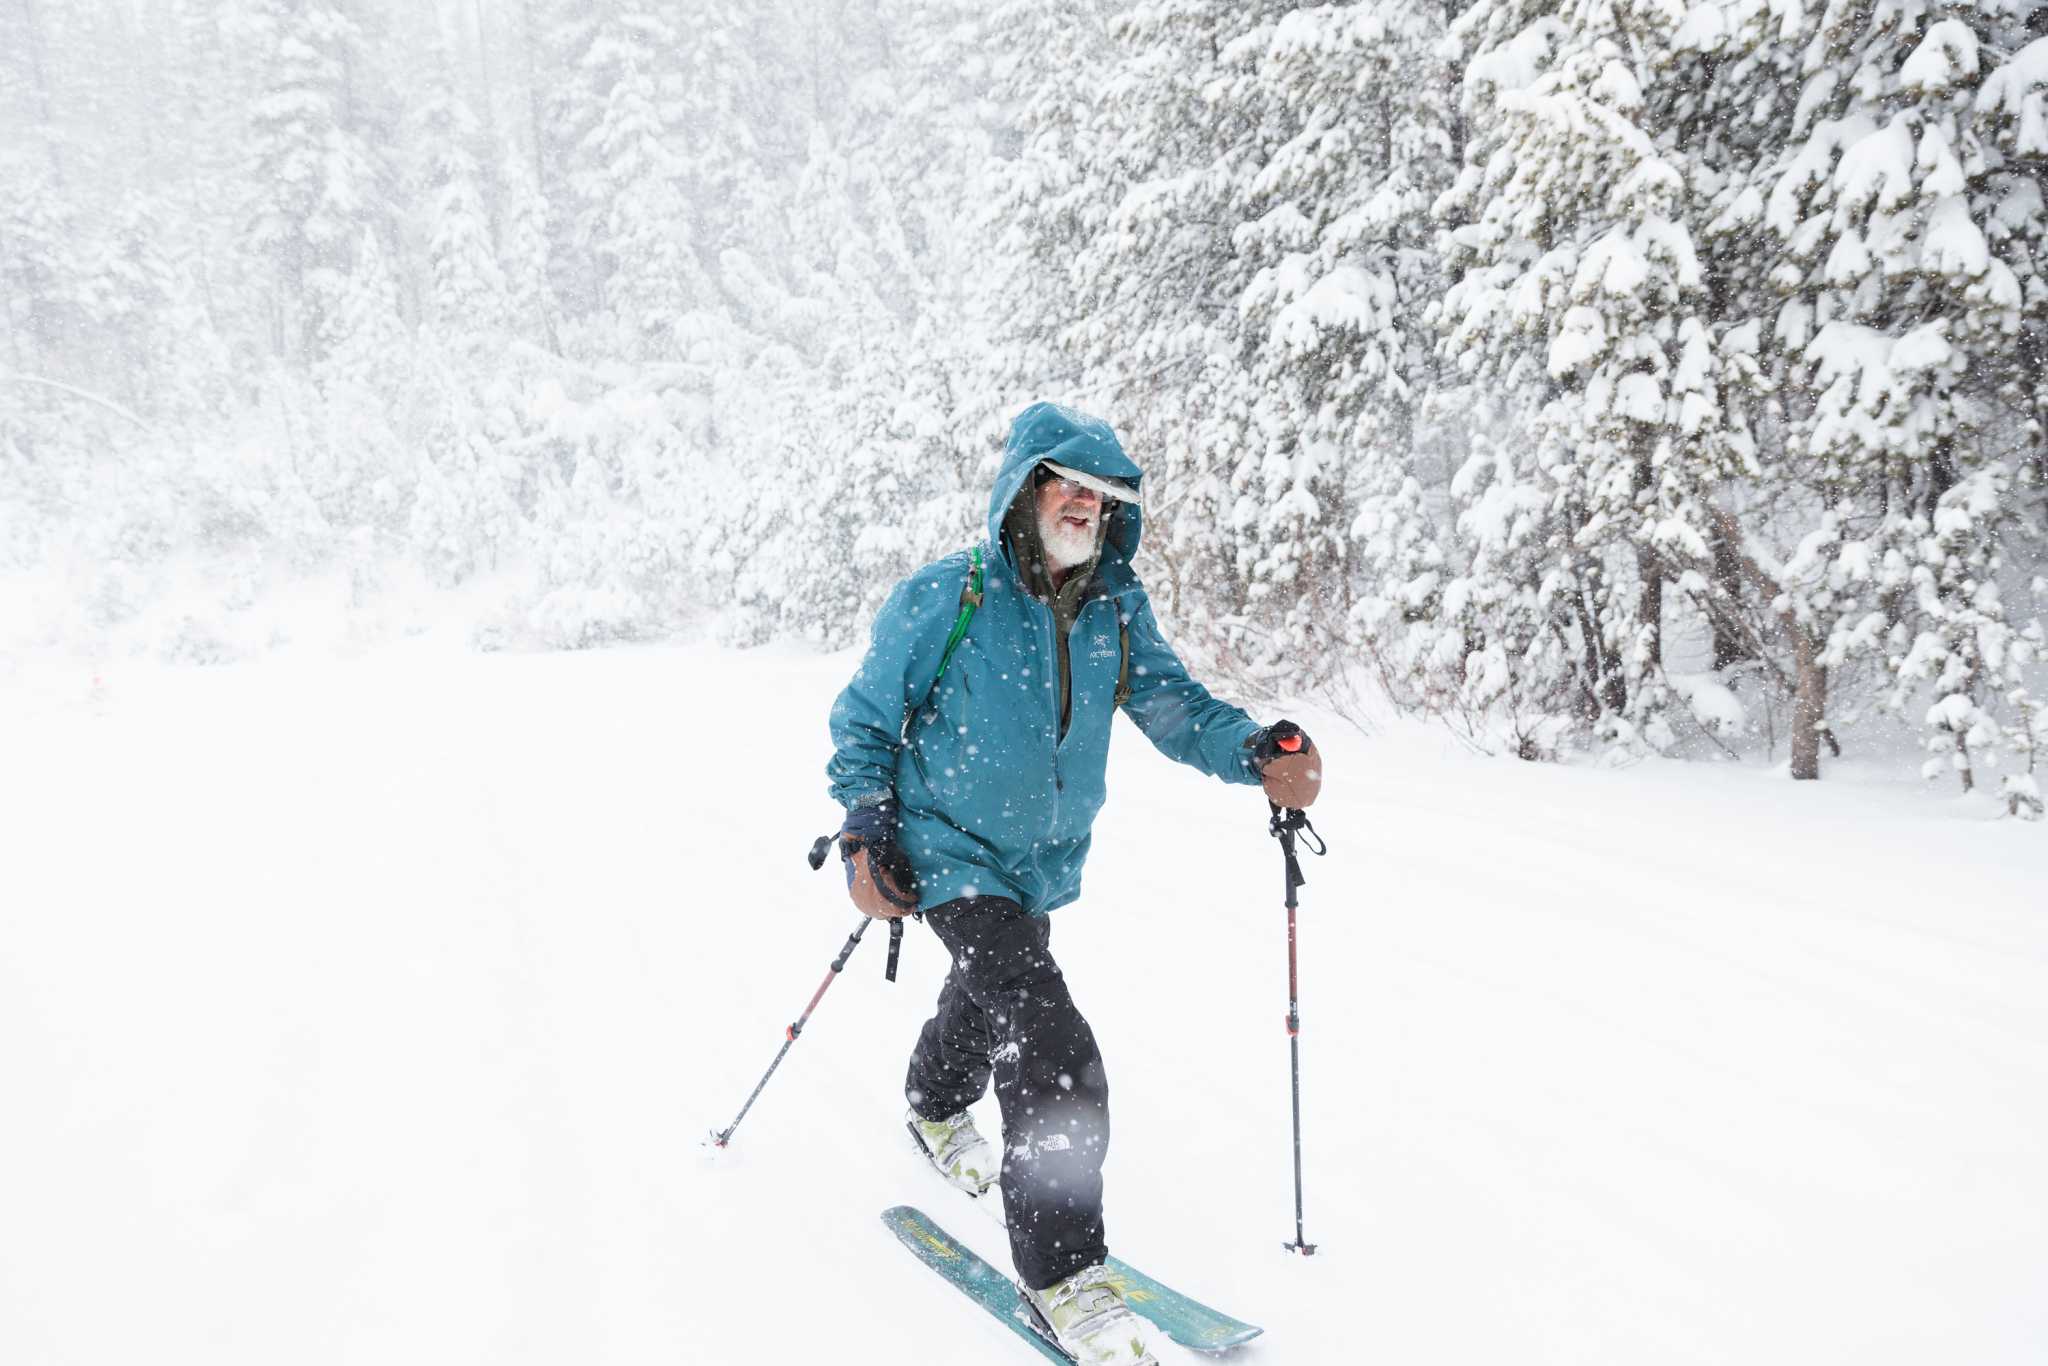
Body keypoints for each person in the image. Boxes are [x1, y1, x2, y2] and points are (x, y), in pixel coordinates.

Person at [825, 402, 1322, 1365]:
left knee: (993, 991)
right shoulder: (948, 597)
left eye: (1104, 497)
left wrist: (1255, 750)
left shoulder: (1113, 610)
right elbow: (864, 722)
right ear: (1024, 488)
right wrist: (867, 821)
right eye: (1070, 487)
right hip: (945, 849)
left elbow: (1176, 708)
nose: (1086, 508)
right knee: (1052, 1043)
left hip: (1037, 864)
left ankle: (933, 1103)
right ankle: (1063, 1278)